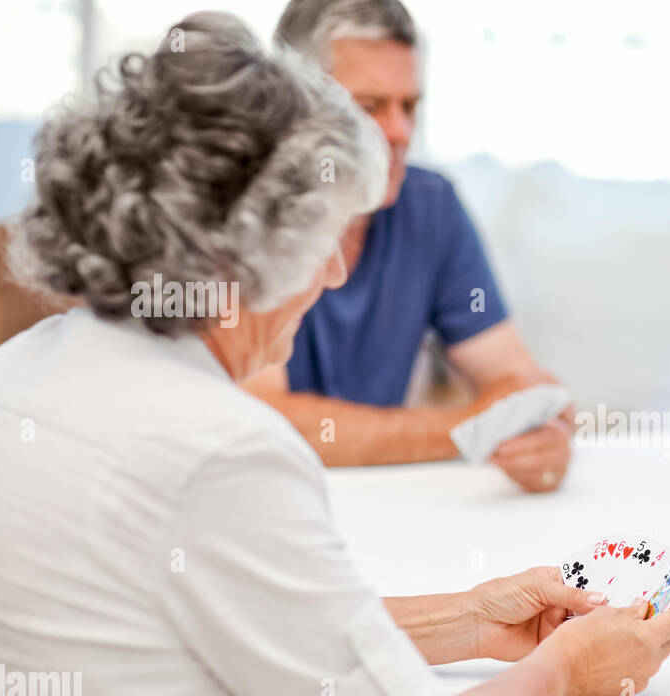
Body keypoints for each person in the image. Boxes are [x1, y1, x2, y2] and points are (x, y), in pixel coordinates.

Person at [0, 14, 670, 696]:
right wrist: (568, 668)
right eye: (319, 236)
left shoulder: (15, 374)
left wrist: (470, 620)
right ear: (240, 252)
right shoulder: (220, 449)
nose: (338, 270)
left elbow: (228, 628)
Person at [242, 0, 572, 492]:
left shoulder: (429, 206)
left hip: (387, 512)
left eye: (410, 106)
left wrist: (546, 430)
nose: (400, 131)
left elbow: (525, 385)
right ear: (294, 108)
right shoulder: (238, 208)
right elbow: (264, 424)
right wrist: (467, 427)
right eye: (369, 107)